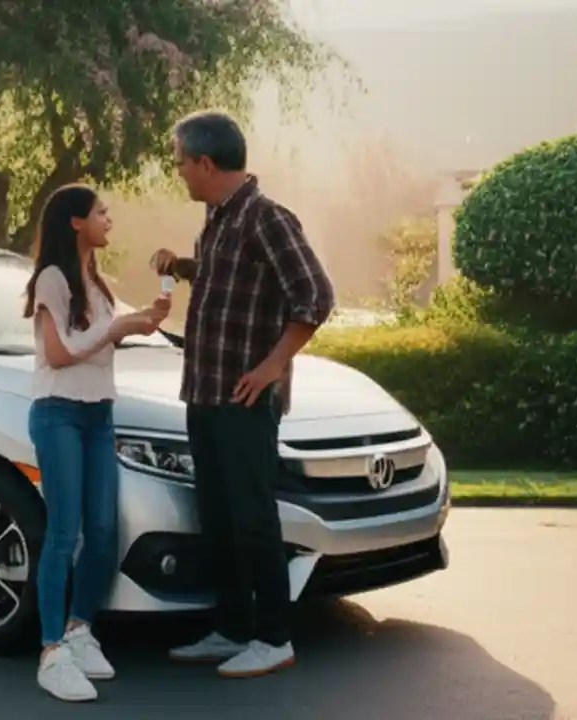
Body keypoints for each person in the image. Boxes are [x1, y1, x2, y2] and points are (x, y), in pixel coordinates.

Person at [151, 111, 335, 679]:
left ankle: (274, 638)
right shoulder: (219, 220)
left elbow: (315, 296)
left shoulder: (266, 218)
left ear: (206, 163)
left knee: (253, 518)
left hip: (244, 401)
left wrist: (272, 366)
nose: (178, 170)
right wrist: (181, 267)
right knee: (219, 517)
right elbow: (225, 276)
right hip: (204, 392)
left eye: (181, 160)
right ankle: (230, 629)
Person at [24, 183, 168, 702]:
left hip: (98, 416)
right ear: (75, 222)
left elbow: (108, 333)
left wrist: (142, 320)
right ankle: (50, 652)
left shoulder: (96, 281)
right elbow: (59, 355)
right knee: (65, 534)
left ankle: (80, 629)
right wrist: (114, 331)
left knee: (104, 530)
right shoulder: (53, 279)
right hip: (58, 413)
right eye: (101, 212)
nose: (110, 218)